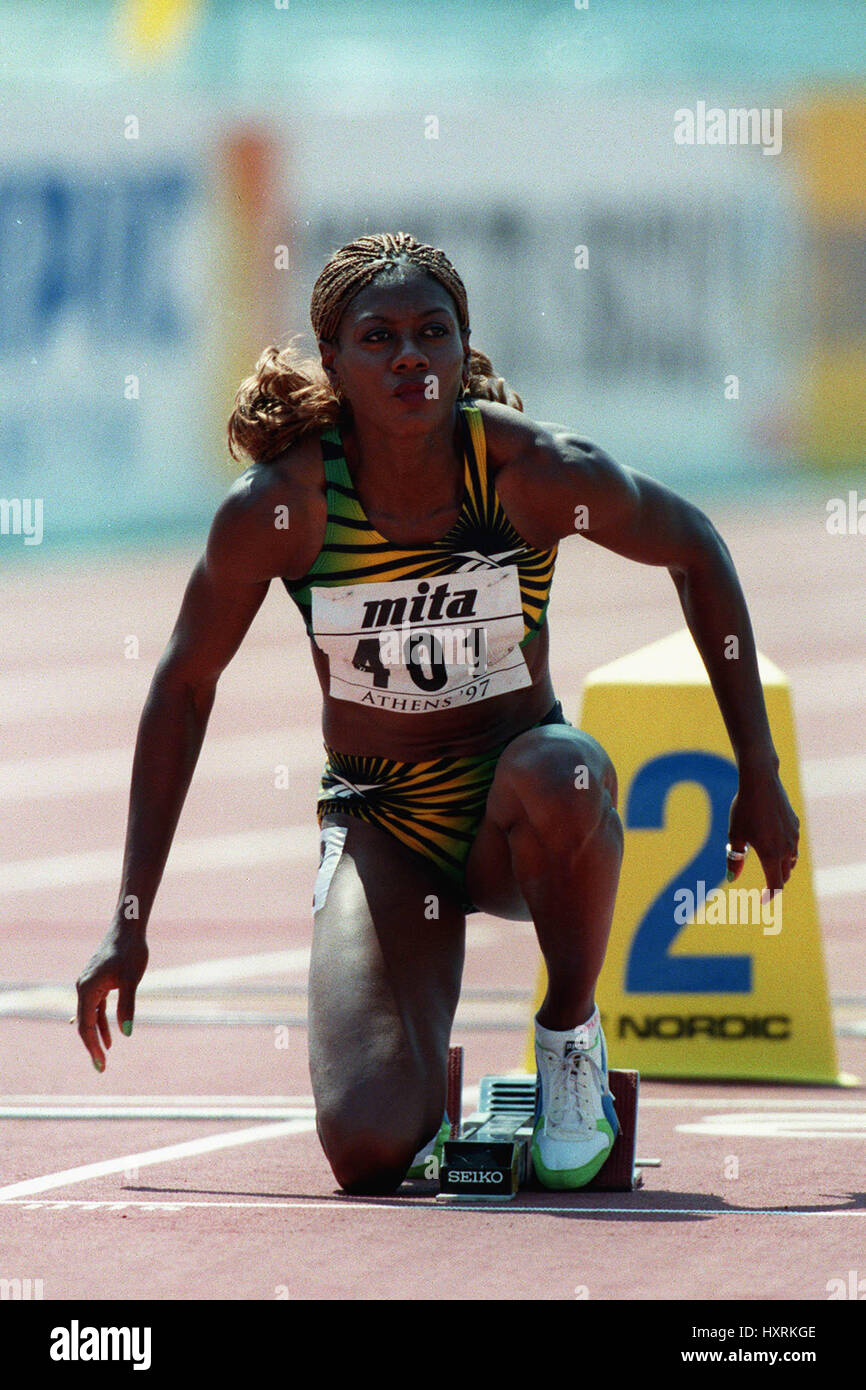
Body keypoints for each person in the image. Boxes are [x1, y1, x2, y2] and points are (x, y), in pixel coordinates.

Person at [76, 231, 799, 1195]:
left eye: (433, 333)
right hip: (385, 823)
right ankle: (416, 1076)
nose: (409, 356)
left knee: (566, 766)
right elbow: (183, 687)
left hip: (519, 808)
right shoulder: (285, 509)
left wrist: (761, 771)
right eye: (378, 339)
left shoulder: (533, 474)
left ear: (465, 350)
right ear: (332, 362)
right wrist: (131, 916)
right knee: (369, 1148)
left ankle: (568, 1039)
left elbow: (695, 545)